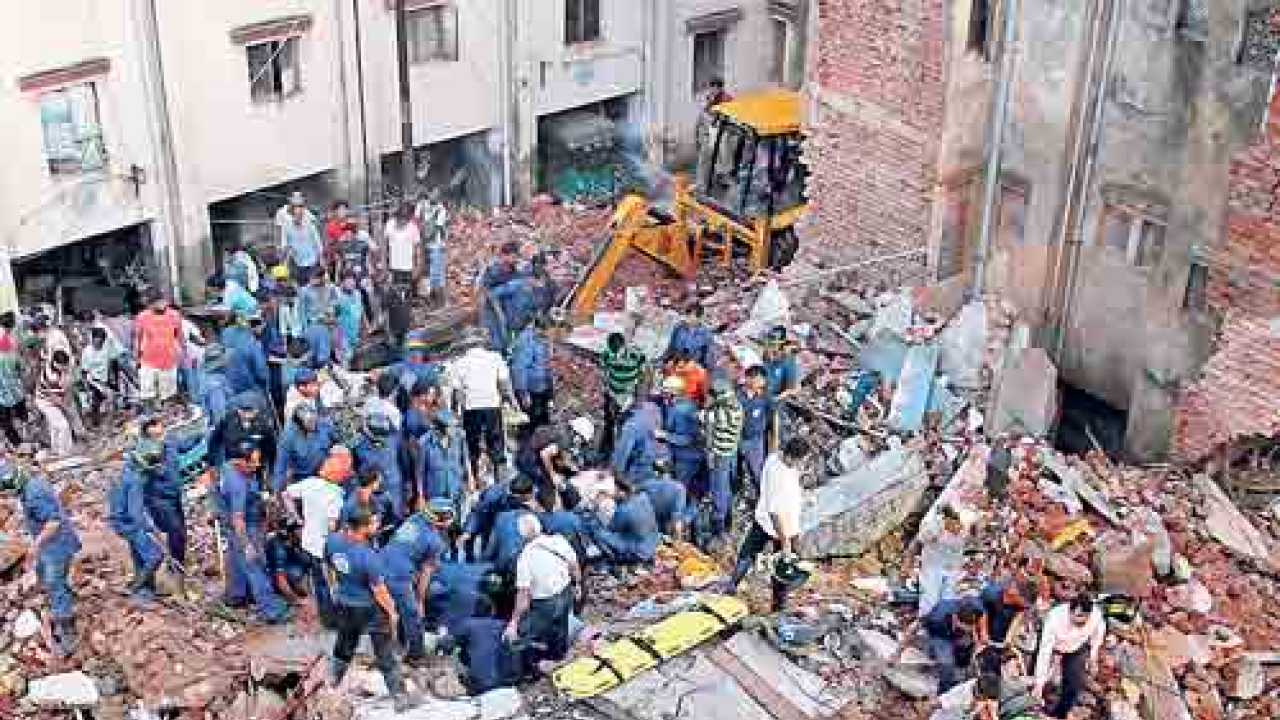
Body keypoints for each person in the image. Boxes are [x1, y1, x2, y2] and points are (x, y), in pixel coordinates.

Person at [326, 510, 420, 712]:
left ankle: (333, 679)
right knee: (385, 651)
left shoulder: (332, 541)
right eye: (373, 522)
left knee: (344, 643)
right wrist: (393, 612)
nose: (376, 525)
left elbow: (328, 566)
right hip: (370, 609)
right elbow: (379, 591)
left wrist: (335, 587)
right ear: (363, 528)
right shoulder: (368, 557)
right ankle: (400, 696)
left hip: (345, 604)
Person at [0, 453, 80, 655]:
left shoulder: (34, 494)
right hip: (50, 544)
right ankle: (65, 598)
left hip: (57, 544)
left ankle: (67, 630)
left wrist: (35, 546)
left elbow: (53, 523)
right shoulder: (31, 483)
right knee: (44, 573)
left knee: (55, 582)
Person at [725, 437, 809, 612]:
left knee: (747, 553)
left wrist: (801, 496)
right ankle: (778, 608)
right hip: (782, 528)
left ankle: (731, 587)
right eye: (800, 460)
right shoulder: (782, 478)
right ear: (793, 458)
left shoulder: (773, 459)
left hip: (761, 519)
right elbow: (775, 513)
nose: (801, 464)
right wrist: (785, 542)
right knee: (784, 568)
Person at [217, 441, 290, 623]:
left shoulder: (228, 467)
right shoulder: (238, 486)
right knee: (255, 564)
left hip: (243, 518)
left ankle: (236, 596)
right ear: (241, 462)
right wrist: (247, 544)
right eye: (253, 462)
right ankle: (272, 610)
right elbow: (238, 519)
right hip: (244, 526)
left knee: (236, 560)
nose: (257, 465)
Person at [506, 514, 580, 674]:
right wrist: (577, 585)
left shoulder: (525, 558)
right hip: (565, 593)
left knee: (525, 635)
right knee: (560, 627)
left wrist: (514, 622)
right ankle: (558, 659)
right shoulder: (558, 541)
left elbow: (523, 597)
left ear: (522, 535)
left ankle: (530, 670)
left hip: (545, 603)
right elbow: (574, 565)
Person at [282, 448, 349, 624]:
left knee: (318, 583)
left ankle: (325, 618)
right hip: (324, 548)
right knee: (331, 584)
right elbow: (332, 526)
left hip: (307, 543)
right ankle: (334, 620)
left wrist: (297, 518)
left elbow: (285, 494)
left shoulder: (309, 483)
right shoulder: (335, 496)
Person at [381, 499, 451, 665]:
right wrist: (420, 601)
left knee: (393, 607)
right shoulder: (434, 542)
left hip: (382, 562)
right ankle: (415, 654)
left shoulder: (414, 519)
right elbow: (426, 575)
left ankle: (399, 639)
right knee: (412, 614)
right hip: (398, 575)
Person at [451, 330, 516, 480]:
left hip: (471, 408)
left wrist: (455, 411)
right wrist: (512, 402)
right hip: (492, 406)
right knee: (496, 442)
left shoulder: (460, 362)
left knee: (472, 443)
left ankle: (474, 475)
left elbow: (456, 391)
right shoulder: (495, 358)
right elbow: (504, 383)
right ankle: (500, 477)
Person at [108, 439, 165, 600]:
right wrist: (151, 528)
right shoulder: (135, 480)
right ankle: (135, 587)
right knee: (155, 556)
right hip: (129, 523)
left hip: (119, 520)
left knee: (140, 556)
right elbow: (135, 512)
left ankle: (146, 591)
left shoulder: (124, 472)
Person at [1033, 594, 1105, 718]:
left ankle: (1059, 714)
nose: (1080, 622)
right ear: (1070, 612)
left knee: (1073, 684)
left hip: (1076, 648)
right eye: (1077, 618)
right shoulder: (1054, 619)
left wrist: (1093, 657)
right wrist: (1039, 683)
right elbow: (1044, 653)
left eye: (1084, 620)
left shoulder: (1096, 616)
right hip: (1054, 646)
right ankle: (1036, 705)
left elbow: (1098, 634)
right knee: (1037, 680)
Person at [898, 594, 986, 692]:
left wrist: (979, 640)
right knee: (946, 663)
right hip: (940, 635)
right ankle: (944, 692)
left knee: (966, 650)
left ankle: (961, 670)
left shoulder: (975, 605)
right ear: (955, 618)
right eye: (963, 627)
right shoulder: (938, 615)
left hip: (956, 635)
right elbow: (915, 627)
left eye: (969, 627)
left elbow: (982, 617)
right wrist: (898, 652)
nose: (967, 629)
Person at [140, 416, 188, 577]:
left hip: (174, 496)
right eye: (152, 427)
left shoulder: (171, 442)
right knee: (175, 530)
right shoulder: (146, 452)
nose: (159, 434)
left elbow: (186, 444)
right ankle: (174, 569)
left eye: (159, 427)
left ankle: (178, 565)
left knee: (181, 534)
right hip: (158, 499)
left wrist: (208, 434)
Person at [515, 417, 594, 512]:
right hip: (529, 460)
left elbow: (558, 454)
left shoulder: (561, 431)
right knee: (547, 485)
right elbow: (544, 454)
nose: (581, 443)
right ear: (577, 433)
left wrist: (571, 468)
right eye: (582, 440)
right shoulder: (564, 439)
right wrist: (553, 476)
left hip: (525, 453)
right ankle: (544, 509)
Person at [353, 411, 414, 523]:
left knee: (396, 522)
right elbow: (355, 469)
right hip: (372, 495)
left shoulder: (396, 440)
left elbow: (405, 464)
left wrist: (407, 488)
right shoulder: (358, 445)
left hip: (394, 491)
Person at [459, 473, 536, 561]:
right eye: (526, 499)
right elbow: (478, 513)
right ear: (520, 496)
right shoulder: (494, 495)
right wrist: (468, 532)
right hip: (489, 524)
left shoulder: (527, 495)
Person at [703, 376, 744, 541]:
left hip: (719, 454)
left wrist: (709, 456)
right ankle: (728, 519)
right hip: (731, 451)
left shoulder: (716, 414)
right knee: (726, 485)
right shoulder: (738, 408)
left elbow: (708, 437)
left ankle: (719, 526)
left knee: (719, 488)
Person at [585, 481, 660, 567]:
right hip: (653, 541)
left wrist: (595, 508)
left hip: (639, 551)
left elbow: (612, 528)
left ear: (622, 492)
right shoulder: (643, 497)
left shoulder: (624, 510)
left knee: (598, 532)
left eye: (615, 491)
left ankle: (613, 559)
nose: (614, 494)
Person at [914, 504, 970, 616]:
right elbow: (920, 540)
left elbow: (960, 549)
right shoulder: (934, 527)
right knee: (930, 599)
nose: (956, 528)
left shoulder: (962, 531)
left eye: (957, 525)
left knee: (948, 600)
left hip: (951, 569)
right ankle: (925, 622)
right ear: (946, 520)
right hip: (932, 568)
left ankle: (944, 621)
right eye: (953, 524)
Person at [599, 332, 646, 456]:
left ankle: (624, 451)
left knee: (625, 424)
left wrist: (636, 395)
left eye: (618, 353)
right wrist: (608, 389)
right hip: (612, 392)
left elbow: (643, 374)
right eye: (613, 353)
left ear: (624, 346)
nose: (616, 356)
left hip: (628, 395)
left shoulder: (637, 355)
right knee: (609, 421)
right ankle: (606, 447)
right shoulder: (607, 354)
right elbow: (605, 371)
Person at [134, 294, 185, 407]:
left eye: (162, 301)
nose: (160, 305)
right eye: (156, 302)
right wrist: (136, 358)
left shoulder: (174, 315)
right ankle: (151, 418)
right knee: (147, 394)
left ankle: (167, 416)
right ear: (151, 304)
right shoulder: (142, 317)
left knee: (168, 395)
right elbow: (137, 338)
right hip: (148, 361)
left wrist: (183, 354)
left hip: (169, 361)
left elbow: (180, 336)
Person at [273, 404, 336, 493]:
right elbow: (280, 466)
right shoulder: (288, 437)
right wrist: (277, 490)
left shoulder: (324, 425)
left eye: (314, 420)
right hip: (303, 478)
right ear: (299, 424)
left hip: (327, 473)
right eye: (309, 422)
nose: (313, 424)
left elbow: (339, 443)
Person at [510, 316, 554, 438]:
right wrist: (523, 393)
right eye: (546, 333)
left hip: (543, 388)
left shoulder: (542, 339)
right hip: (531, 390)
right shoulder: (526, 341)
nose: (548, 337)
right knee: (530, 425)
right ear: (538, 329)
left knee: (543, 422)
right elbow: (519, 368)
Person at [420, 409, 469, 515]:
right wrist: (421, 496)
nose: (454, 430)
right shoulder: (425, 443)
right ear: (440, 428)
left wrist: (470, 478)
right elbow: (420, 472)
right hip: (435, 493)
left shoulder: (459, 438)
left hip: (455, 490)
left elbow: (465, 459)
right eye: (451, 427)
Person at [209, 391, 275, 468]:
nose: (247, 414)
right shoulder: (228, 420)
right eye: (244, 410)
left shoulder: (263, 424)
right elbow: (214, 441)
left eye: (250, 410)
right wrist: (213, 464)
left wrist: (266, 465)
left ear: (256, 411)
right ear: (238, 410)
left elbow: (271, 449)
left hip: (256, 465)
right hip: (233, 464)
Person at [34, 349, 77, 456]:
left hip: (51, 399)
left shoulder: (56, 369)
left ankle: (56, 449)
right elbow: (55, 397)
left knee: (55, 425)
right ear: (55, 363)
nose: (65, 367)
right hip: (45, 401)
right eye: (62, 365)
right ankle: (64, 453)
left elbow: (65, 391)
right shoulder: (52, 376)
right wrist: (66, 408)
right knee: (63, 426)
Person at [79, 326, 123, 427]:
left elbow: (114, 363)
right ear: (92, 339)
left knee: (111, 401)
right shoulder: (87, 351)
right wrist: (86, 387)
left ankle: (109, 424)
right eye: (96, 341)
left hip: (106, 380)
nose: (98, 344)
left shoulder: (108, 349)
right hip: (93, 380)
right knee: (95, 403)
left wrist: (115, 381)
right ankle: (96, 424)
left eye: (100, 342)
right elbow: (84, 371)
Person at [737, 365, 771, 491]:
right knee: (736, 473)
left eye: (763, 380)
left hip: (755, 441)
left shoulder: (764, 397)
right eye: (759, 379)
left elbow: (771, 415)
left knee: (757, 473)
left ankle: (762, 500)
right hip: (738, 440)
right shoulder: (736, 396)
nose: (762, 383)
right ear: (748, 379)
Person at [221, 315, 269, 396]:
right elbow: (261, 373)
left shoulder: (227, 340)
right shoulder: (252, 345)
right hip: (249, 391)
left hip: (231, 390)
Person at [266, 520, 313, 604]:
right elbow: (280, 579)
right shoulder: (279, 549)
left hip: (287, 569)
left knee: (306, 559)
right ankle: (283, 593)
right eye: (299, 530)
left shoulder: (294, 543)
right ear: (291, 533)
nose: (302, 533)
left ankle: (296, 587)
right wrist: (297, 600)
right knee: (296, 572)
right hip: (273, 577)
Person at [0, 312, 29, 446]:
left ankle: (18, 441)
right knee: (18, 415)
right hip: (12, 388)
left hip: (7, 390)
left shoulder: (11, 340)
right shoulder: (13, 341)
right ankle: (20, 441)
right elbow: (21, 367)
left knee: (8, 418)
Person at [665, 304, 715, 371]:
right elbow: (671, 347)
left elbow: (708, 356)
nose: (689, 318)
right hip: (677, 362)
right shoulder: (678, 328)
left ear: (700, 318)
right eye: (687, 315)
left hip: (695, 367)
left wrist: (697, 365)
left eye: (693, 316)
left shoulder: (706, 334)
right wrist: (668, 360)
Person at [284, 200, 324, 283]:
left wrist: (321, 259)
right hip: (297, 262)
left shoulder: (310, 226)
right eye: (295, 214)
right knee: (300, 285)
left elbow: (318, 244)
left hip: (312, 261)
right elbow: (287, 246)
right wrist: (285, 263)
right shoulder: (287, 228)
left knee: (311, 285)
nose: (298, 217)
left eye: (300, 215)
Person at [385, 202, 421, 287]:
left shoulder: (413, 227)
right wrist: (384, 265)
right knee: (393, 293)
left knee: (408, 293)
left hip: (408, 267)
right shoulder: (390, 224)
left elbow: (418, 249)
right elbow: (384, 246)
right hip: (393, 266)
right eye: (401, 217)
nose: (403, 220)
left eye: (406, 217)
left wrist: (417, 267)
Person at [335, 274, 364, 366]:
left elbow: (361, 311)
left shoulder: (358, 294)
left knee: (356, 359)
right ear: (342, 282)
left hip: (356, 333)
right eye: (348, 282)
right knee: (345, 361)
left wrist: (365, 328)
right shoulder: (337, 296)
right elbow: (334, 316)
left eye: (353, 282)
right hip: (343, 335)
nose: (351, 284)